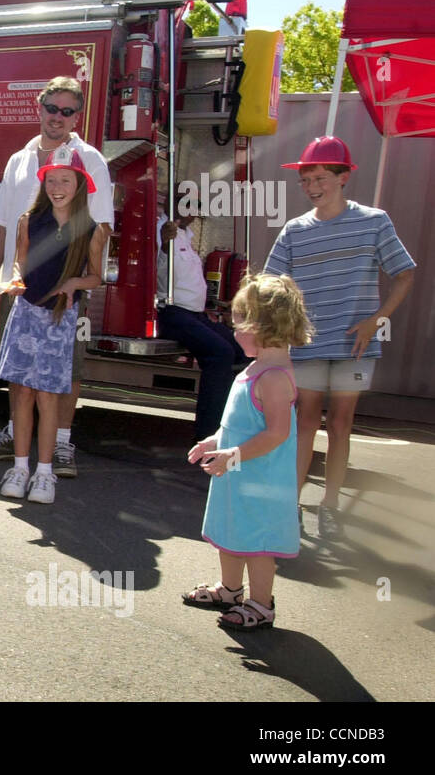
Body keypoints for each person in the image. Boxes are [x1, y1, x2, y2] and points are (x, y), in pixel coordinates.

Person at [264, 136, 416, 527]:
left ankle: (330, 505)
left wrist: (377, 319)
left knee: (340, 423)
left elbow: (404, 274)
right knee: (305, 420)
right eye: (305, 180)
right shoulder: (294, 230)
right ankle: (291, 503)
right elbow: (270, 284)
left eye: (320, 178)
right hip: (309, 343)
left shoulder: (374, 221)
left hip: (356, 344)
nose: (312, 187)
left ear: (343, 176)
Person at [0, 76, 113, 477]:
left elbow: (101, 226)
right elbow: (2, 224)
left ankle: (63, 445)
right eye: (52, 108)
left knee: (64, 369)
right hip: (20, 283)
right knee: (18, 367)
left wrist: (81, 280)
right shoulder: (19, 159)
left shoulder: (90, 159)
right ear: (40, 108)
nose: (58, 117)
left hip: (66, 283)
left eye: (68, 111)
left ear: (77, 116)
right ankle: (14, 435)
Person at [182, 273, 312, 631]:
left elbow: (276, 434)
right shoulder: (255, 370)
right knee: (231, 532)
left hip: (260, 481)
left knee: (258, 544)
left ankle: (261, 603)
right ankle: (230, 589)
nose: (233, 329)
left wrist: (232, 455)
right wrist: (214, 441)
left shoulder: (273, 378)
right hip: (237, 475)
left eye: (238, 322)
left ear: (261, 327)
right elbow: (235, 422)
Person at [0, 146, 105, 504]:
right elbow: (18, 262)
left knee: (48, 396)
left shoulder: (92, 229)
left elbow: (95, 277)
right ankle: (19, 468)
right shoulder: (29, 220)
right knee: (23, 393)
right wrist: (15, 281)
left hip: (60, 318)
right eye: (52, 179)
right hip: (26, 312)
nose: (58, 186)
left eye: (66, 180)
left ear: (80, 185)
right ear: (43, 183)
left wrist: (73, 284)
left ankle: (45, 474)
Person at [156, 204, 249, 442]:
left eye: (196, 206)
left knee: (242, 349)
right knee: (220, 353)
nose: (194, 211)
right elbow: (158, 273)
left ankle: (235, 422)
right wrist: (165, 247)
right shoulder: (163, 230)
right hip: (172, 311)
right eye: (187, 204)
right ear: (172, 202)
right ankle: (209, 433)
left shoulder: (186, 234)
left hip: (195, 313)